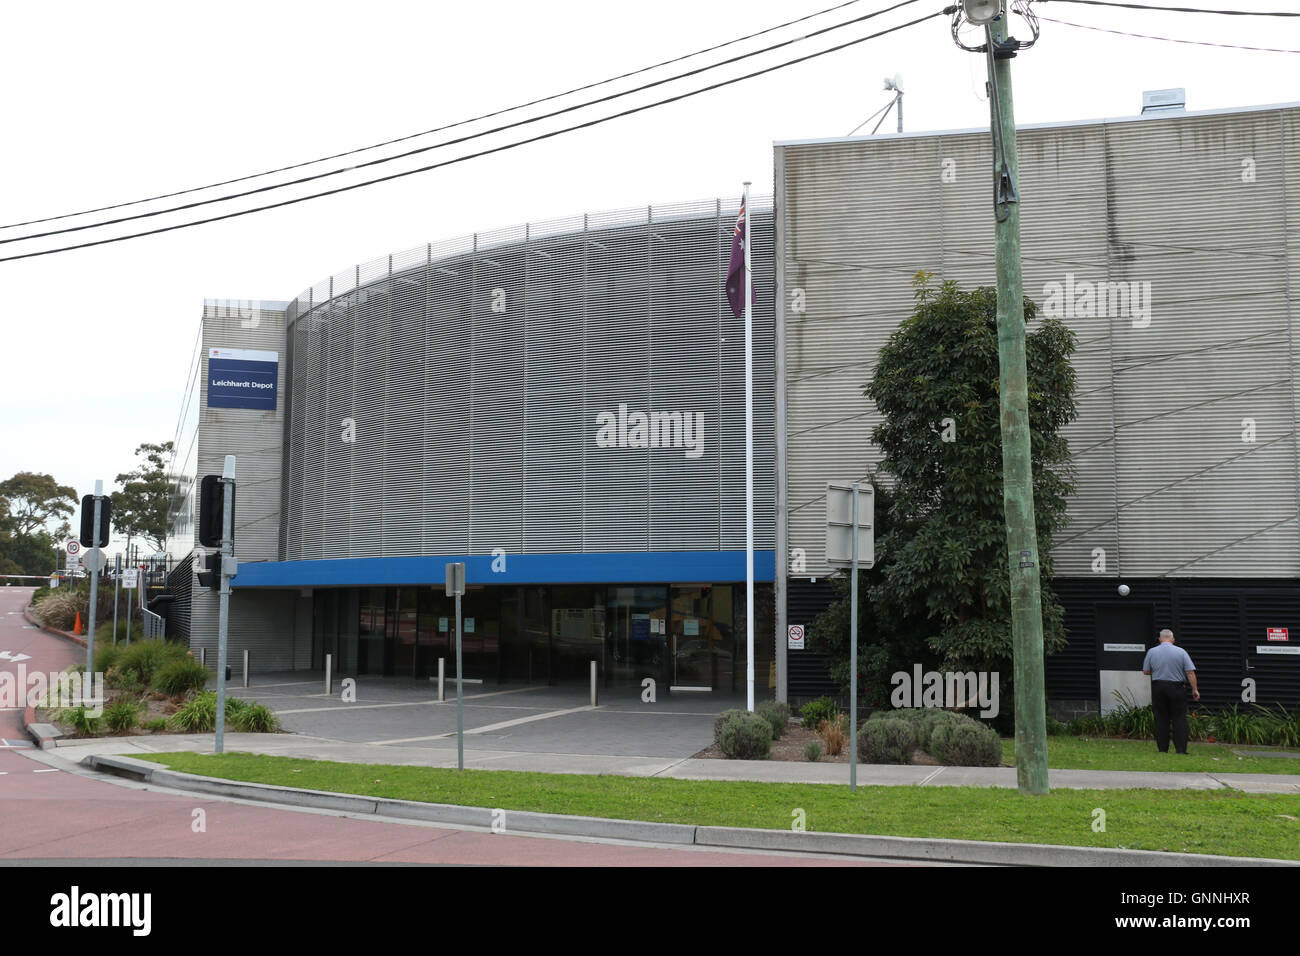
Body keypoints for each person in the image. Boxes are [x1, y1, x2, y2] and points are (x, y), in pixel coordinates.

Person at [1141, 628, 1199, 754]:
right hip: (1177, 687)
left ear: (1160, 639)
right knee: (1179, 718)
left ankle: (1162, 749)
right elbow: (1190, 672)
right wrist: (1195, 689)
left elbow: (1146, 671)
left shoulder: (1152, 652)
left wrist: (1157, 671)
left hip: (1158, 687)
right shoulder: (1181, 652)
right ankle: (1181, 749)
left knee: (1161, 718)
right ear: (1173, 639)